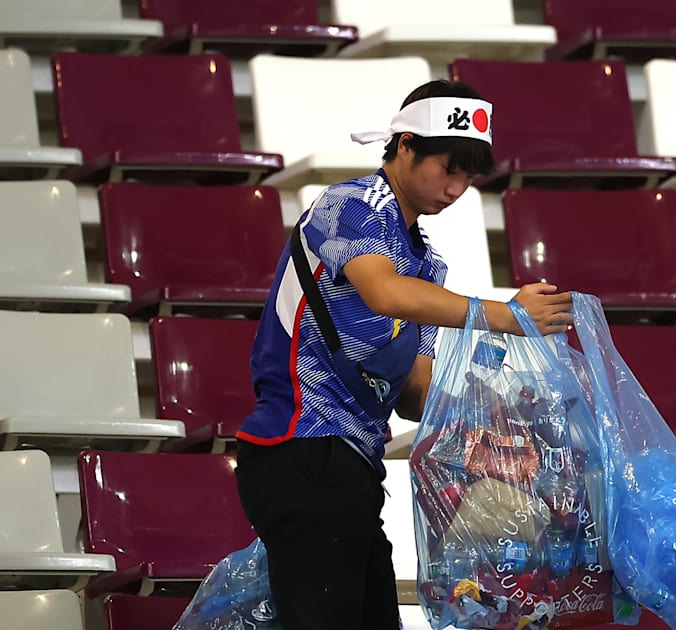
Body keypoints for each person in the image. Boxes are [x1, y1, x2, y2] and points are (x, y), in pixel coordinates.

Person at [234, 79, 573, 630]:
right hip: (300, 446)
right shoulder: (350, 204)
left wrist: (503, 416)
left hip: (353, 467)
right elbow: (383, 293)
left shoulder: (428, 265)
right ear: (406, 145)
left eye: (468, 177)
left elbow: (414, 390)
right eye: (448, 168)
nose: (457, 189)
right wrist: (506, 316)